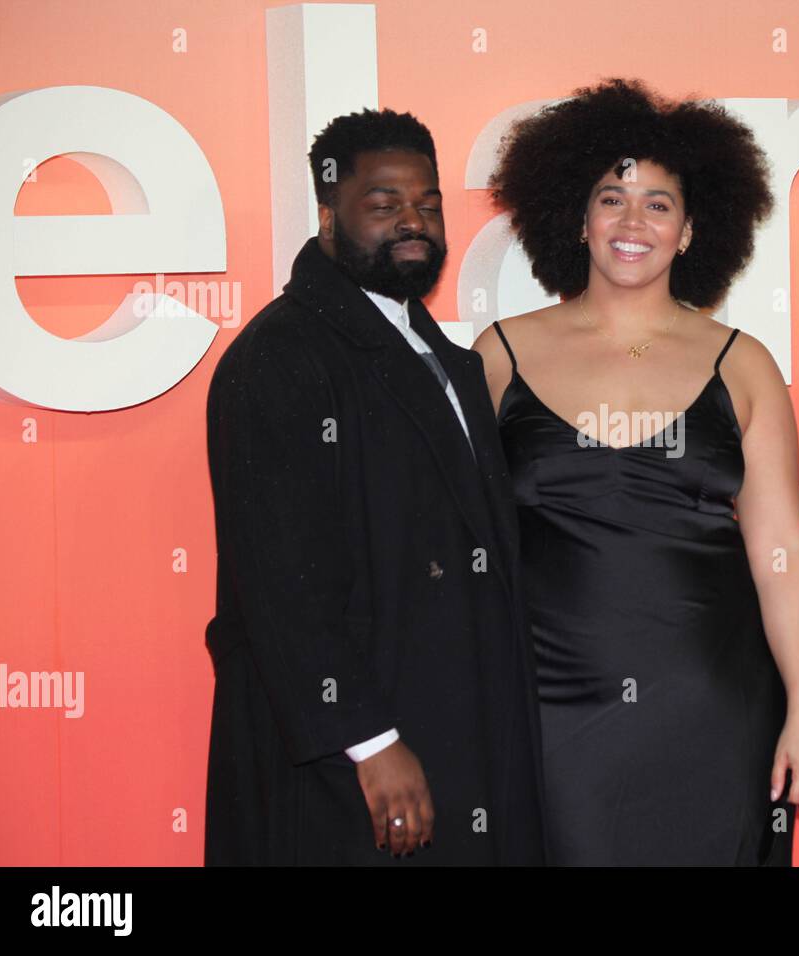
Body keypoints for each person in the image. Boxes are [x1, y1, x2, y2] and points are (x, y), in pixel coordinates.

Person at [473, 78, 799, 865]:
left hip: (710, 706)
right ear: (577, 214)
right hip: (546, 707)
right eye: (612, 197)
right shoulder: (498, 356)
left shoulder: (744, 365)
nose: (633, 222)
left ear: (693, 229)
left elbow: (783, 554)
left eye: (658, 203)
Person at [203, 108, 546, 865]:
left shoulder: (439, 353)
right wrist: (371, 743)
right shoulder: (280, 356)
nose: (412, 221)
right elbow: (279, 584)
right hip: (351, 758)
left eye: (426, 203)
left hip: (455, 727)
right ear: (328, 215)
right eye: (383, 204)